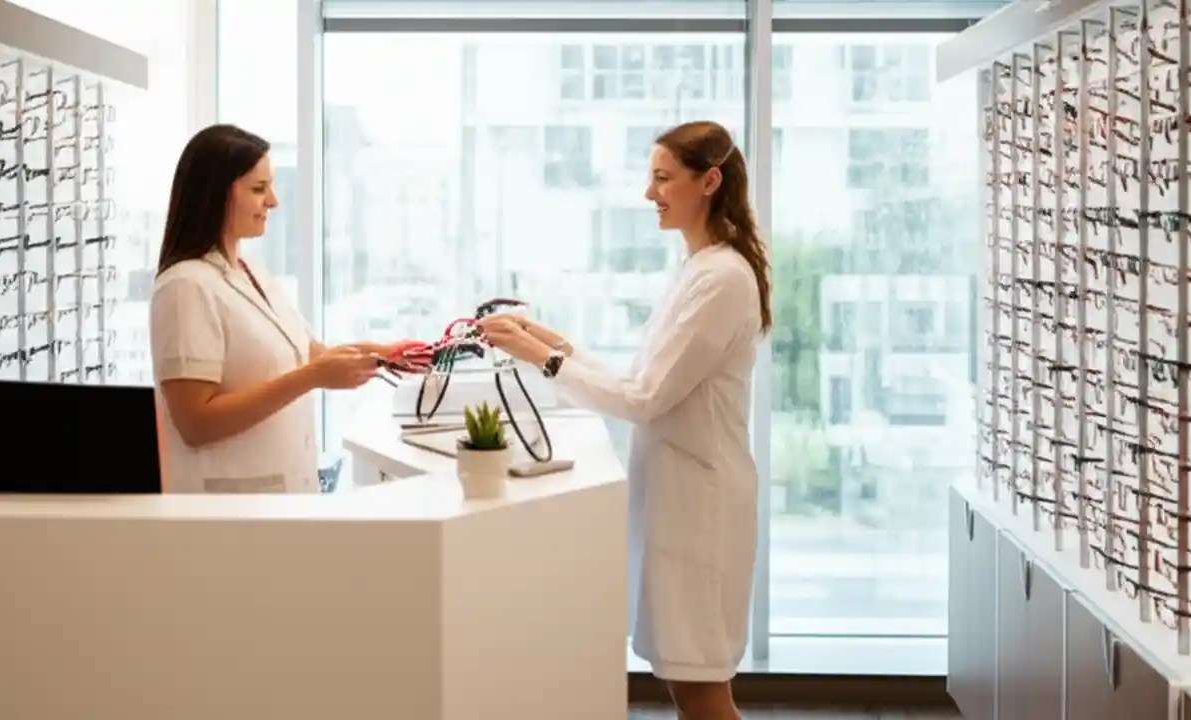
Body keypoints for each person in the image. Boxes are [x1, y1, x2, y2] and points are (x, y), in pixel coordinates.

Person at [479, 120, 771, 720]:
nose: (650, 193)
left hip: (702, 505)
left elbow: (643, 399)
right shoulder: (700, 268)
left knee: (701, 689)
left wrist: (542, 357)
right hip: (680, 497)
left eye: (663, 178)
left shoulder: (721, 278)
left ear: (709, 181)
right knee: (686, 682)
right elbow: (644, 379)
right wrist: (548, 340)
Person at [149, 124, 425, 493]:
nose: (274, 201)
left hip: (286, 498)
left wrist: (382, 355)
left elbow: (309, 355)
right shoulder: (186, 287)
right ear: (216, 194)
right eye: (258, 189)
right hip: (226, 514)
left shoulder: (252, 274)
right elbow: (196, 422)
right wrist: (312, 378)